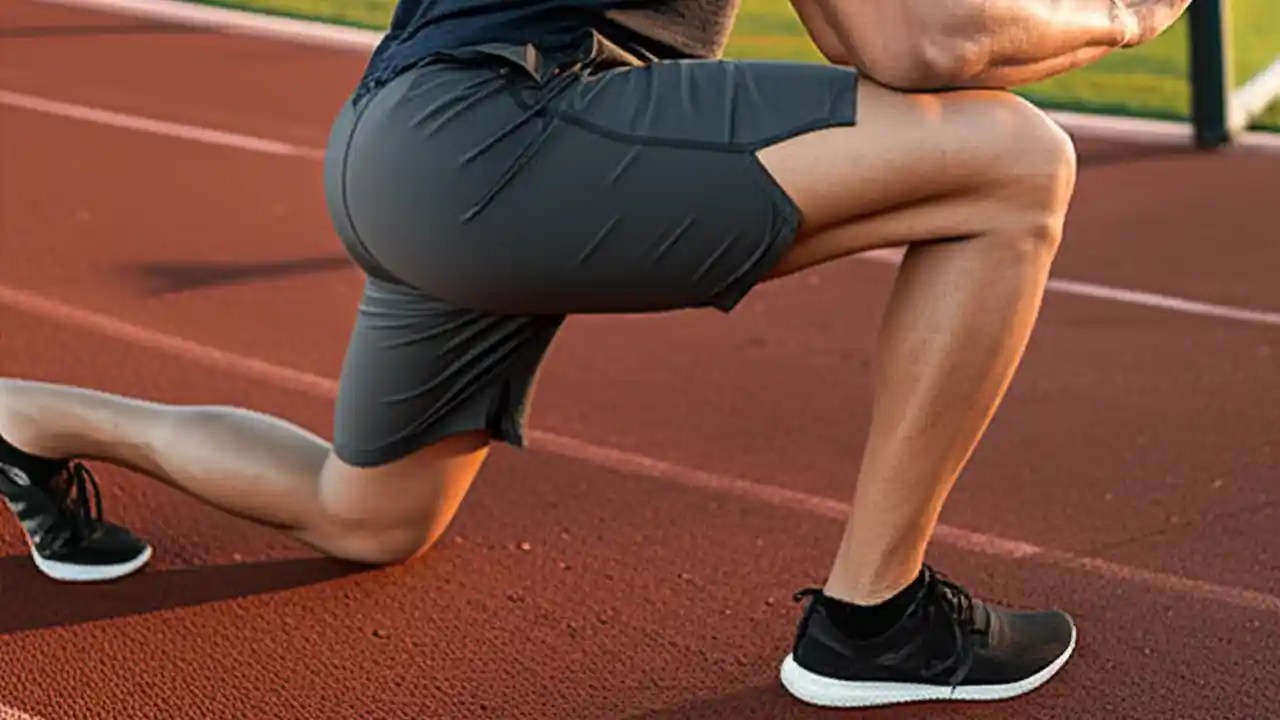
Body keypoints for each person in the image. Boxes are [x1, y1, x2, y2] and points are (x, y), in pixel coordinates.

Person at [0, 0, 1191, 709]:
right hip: (507, 140)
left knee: (367, 515)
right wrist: (1131, 14)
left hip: (396, 142)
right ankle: (871, 625)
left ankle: (29, 418)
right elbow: (922, 40)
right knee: (1014, 166)